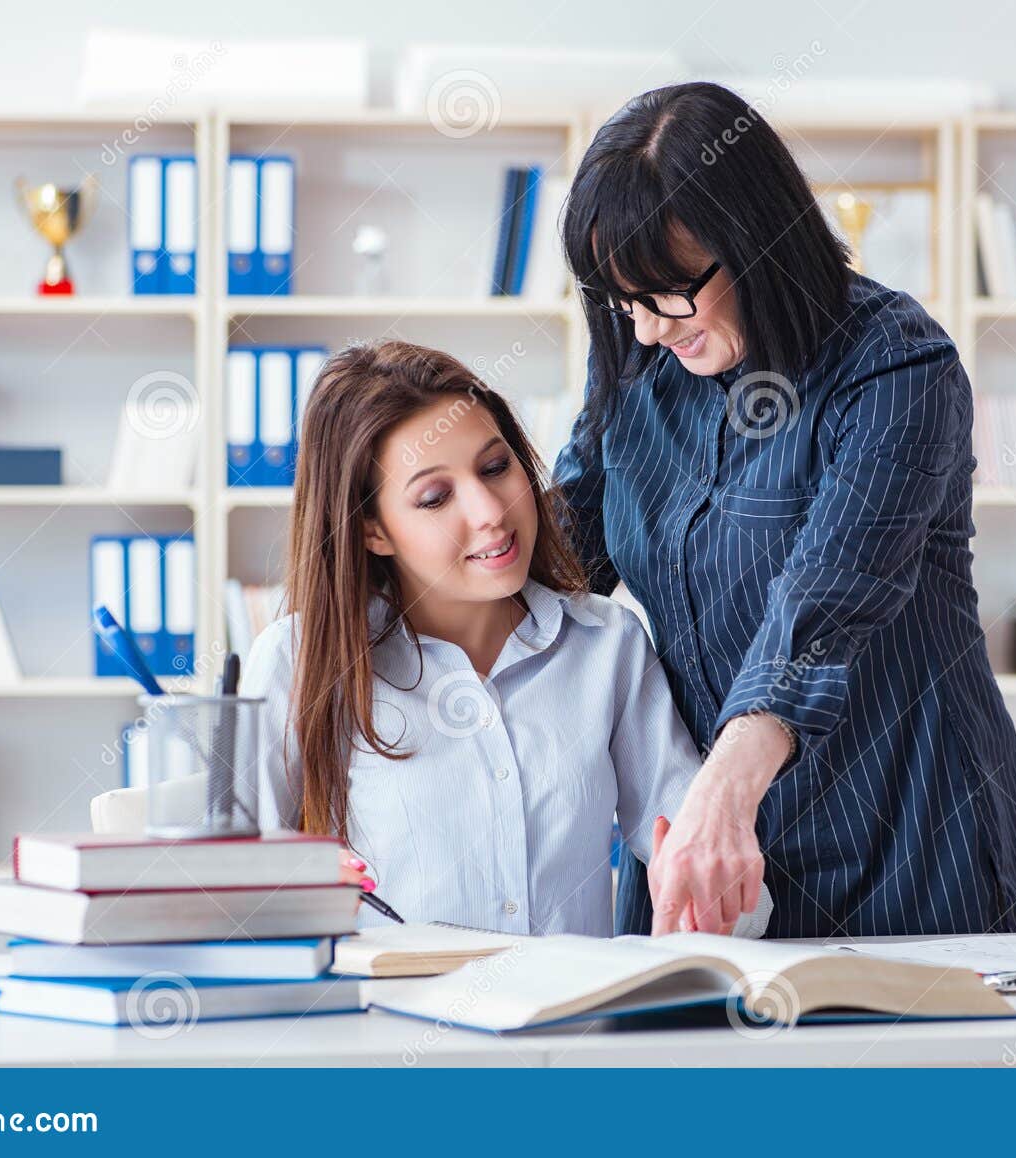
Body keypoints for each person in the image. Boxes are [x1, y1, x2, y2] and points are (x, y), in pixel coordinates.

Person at [554, 81, 1016, 938]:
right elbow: (561, 559)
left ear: (753, 241)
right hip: (711, 856)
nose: (644, 329)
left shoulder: (896, 365)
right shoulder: (639, 367)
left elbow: (825, 598)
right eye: (622, 300)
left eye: (669, 292)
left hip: (909, 842)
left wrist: (723, 790)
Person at [241, 338, 769, 936]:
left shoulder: (605, 643)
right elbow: (219, 900)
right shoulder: (298, 661)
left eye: (495, 467)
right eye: (435, 497)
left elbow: (725, 882)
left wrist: (712, 891)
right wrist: (283, 888)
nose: (490, 509)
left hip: (574, 1025)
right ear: (372, 532)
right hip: (386, 1023)